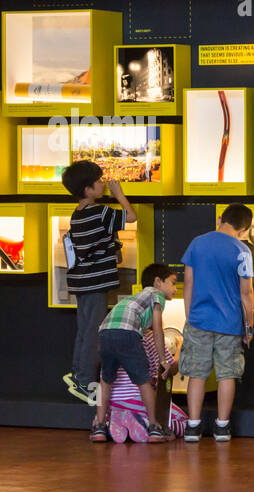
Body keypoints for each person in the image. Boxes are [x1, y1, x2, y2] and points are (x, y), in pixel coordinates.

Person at [60, 160, 136, 405]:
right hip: (95, 283)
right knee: (94, 332)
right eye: (99, 181)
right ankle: (83, 382)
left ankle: (77, 374)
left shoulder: (78, 214)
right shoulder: (100, 212)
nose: (103, 183)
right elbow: (131, 217)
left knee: (85, 329)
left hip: (82, 282)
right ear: (87, 189)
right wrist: (119, 195)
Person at [180, 204, 254, 442]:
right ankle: (222, 426)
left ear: (220, 218)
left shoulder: (197, 243)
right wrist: (249, 326)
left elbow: (188, 283)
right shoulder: (242, 251)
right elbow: (247, 293)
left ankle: (193, 426)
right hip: (229, 323)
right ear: (244, 229)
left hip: (199, 319)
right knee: (227, 374)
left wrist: (190, 315)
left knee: (197, 374)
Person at [89, 263, 177, 443]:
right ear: (158, 282)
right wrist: (163, 361)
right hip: (128, 333)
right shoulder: (156, 295)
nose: (175, 288)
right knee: (143, 380)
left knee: (106, 379)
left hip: (105, 331)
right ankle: (154, 426)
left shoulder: (134, 298)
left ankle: (99, 427)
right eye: (173, 283)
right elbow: (158, 329)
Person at [107, 331, 188, 442]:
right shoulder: (151, 336)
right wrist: (180, 346)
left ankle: (116, 422)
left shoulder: (110, 335)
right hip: (137, 398)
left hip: (112, 401)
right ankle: (144, 423)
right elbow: (170, 369)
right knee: (186, 423)